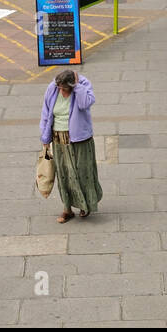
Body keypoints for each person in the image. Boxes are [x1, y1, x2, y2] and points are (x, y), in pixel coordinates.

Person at [39, 69, 101, 222]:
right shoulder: (53, 87)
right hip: (59, 139)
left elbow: (85, 104)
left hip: (80, 140)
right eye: (59, 87)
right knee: (64, 175)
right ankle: (67, 209)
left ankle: (84, 205)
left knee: (82, 174)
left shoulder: (83, 85)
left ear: (71, 85)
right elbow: (46, 113)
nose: (61, 90)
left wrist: (78, 87)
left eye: (64, 88)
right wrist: (45, 137)